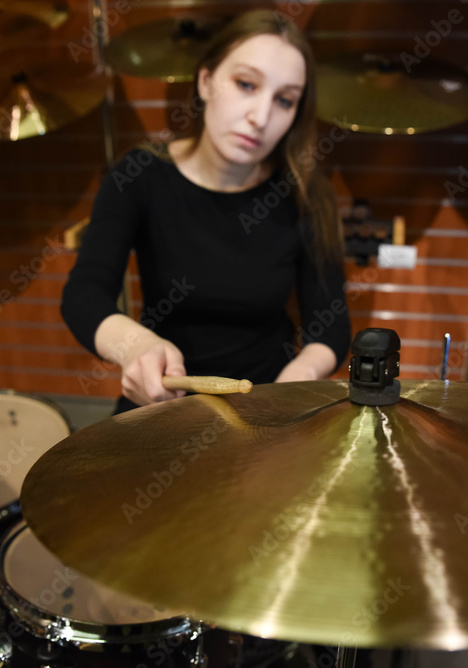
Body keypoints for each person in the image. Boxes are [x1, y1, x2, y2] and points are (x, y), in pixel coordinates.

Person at [61, 10, 351, 414]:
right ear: (205, 81)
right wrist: (136, 346)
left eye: (284, 100)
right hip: (162, 402)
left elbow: (331, 325)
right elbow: (83, 295)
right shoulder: (140, 175)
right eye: (246, 84)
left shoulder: (305, 195)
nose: (261, 117)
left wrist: (295, 380)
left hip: (264, 406)